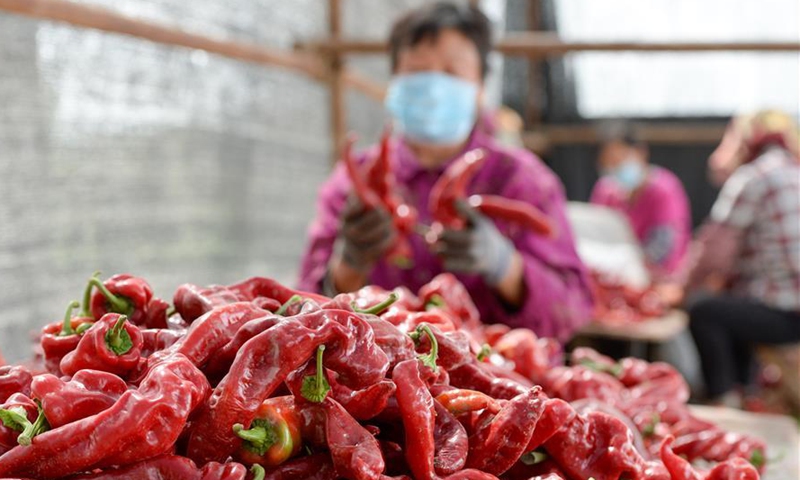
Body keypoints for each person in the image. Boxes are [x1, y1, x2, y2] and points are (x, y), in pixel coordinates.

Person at [298, 2, 593, 342]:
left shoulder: (522, 179)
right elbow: (303, 309)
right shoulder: (355, 180)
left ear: (480, 87)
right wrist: (348, 264)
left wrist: (504, 265)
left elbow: (574, 307)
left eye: (452, 72)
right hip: (379, 381)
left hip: (499, 382)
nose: (434, 86)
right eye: (418, 70)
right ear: (395, 82)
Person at [685, 110, 800, 405]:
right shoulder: (794, 171)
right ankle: (747, 391)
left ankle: (725, 399)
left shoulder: (754, 177)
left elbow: (714, 251)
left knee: (704, 311)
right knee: (735, 305)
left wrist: (681, 288)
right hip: (788, 307)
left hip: (787, 314)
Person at [590, 122, 692, 281]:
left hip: (661, 279)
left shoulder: (664, 189)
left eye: (619, 159)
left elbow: (663, 247)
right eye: (609, 163)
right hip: (615, 277)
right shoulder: (605, 190)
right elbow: (595, 236)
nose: (614, 167)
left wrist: (631, 267)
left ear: (640, 152)